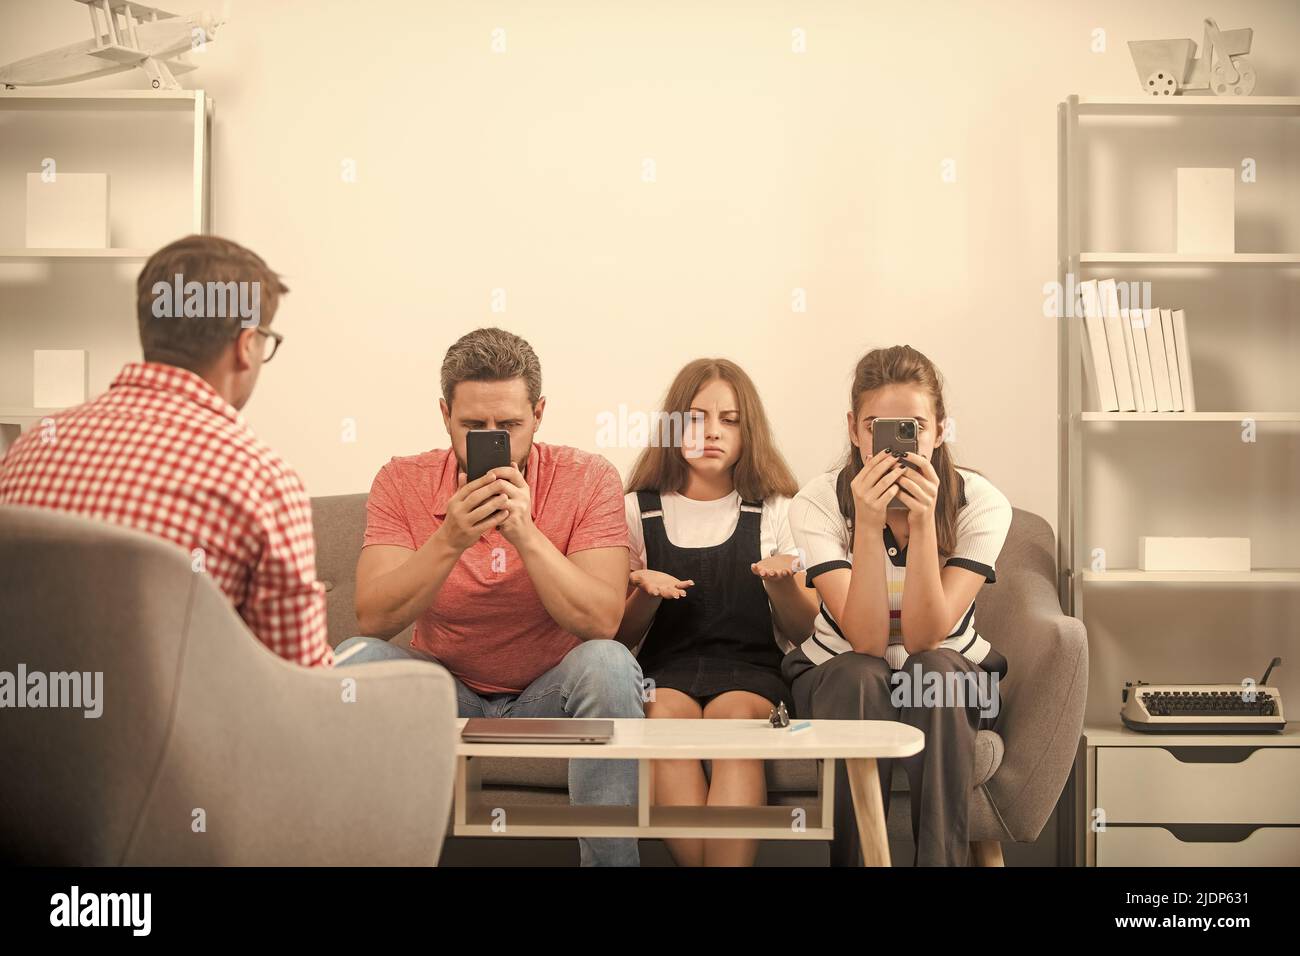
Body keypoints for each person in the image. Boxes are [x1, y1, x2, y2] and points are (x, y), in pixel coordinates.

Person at [337, 327, 642, 867]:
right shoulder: (401, 480)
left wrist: (524, 533)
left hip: (549, 696)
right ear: (443, 414)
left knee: (611, 665)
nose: (491, 436)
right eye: (473, 425)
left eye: (510, 425)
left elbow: (601, 621)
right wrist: (450, 537)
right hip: (444, 691)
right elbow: (373, 619)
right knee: (354, 661)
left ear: (540, 413)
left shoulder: (589, 478)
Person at [0, 234, 331, 668]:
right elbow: (300, 684)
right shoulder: (261, 478)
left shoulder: (26, 451)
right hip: (171, 736)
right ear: (245, 344)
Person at [782, 344, 1012, 866]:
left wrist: (925, 523)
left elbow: (927, 638)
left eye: (913, 428)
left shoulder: (982, 502)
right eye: (877, 427)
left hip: (947, 674)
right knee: (860, 674)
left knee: (935, 670)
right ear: (854, 429)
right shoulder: (816, 502)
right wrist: (867, 522)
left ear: (939, 430)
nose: (895, 444)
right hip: (840, 673)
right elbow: (864, 640)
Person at [616, 358, 817, 867]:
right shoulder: (635, 509)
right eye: (697, 417)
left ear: (749, 431)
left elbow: (805, 629)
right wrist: (644, 589)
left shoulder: (775, 508)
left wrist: (783, 584)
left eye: (729, 420)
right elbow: (618, 639)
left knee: (736, 719)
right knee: (661, 715)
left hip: (752, 675)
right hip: (665, 673)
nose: (712, 433)